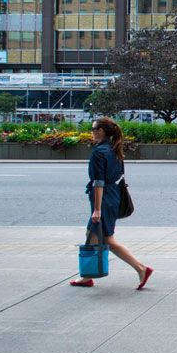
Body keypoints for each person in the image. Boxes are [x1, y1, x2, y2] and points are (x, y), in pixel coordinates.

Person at [70, 117, 153, 289]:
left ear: (101, 131)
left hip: (104, 199)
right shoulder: (113, 149)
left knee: (107, 239)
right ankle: (86, 276)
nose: (91, 132)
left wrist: (97, 209)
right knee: (92, 234)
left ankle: (141, 268)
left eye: (93, 129)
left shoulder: (99, 152)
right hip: (113, 196)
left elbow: (98, 182)